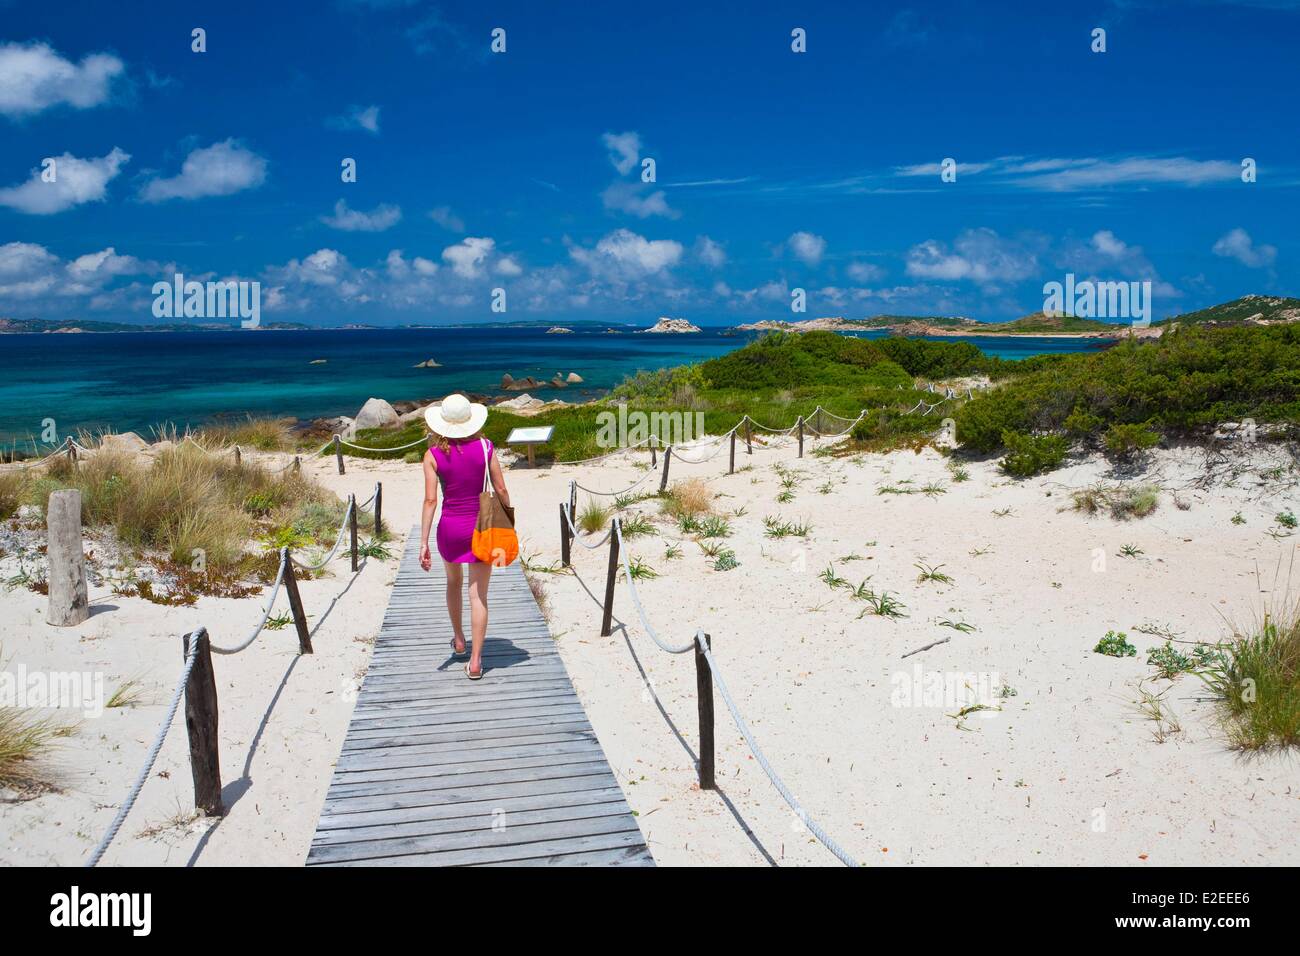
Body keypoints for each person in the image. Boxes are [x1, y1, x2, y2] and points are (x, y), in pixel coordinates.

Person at [418, 394, 512, 680]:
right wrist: (507, 519)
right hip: (481, 527)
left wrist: (423, 542)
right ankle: (474, 661)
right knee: (478, 595)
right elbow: (501, 488)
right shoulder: (485, 447)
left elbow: (430, 501)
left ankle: (459, 639)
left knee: (453, 582)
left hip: (449, 528)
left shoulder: (432, 455)